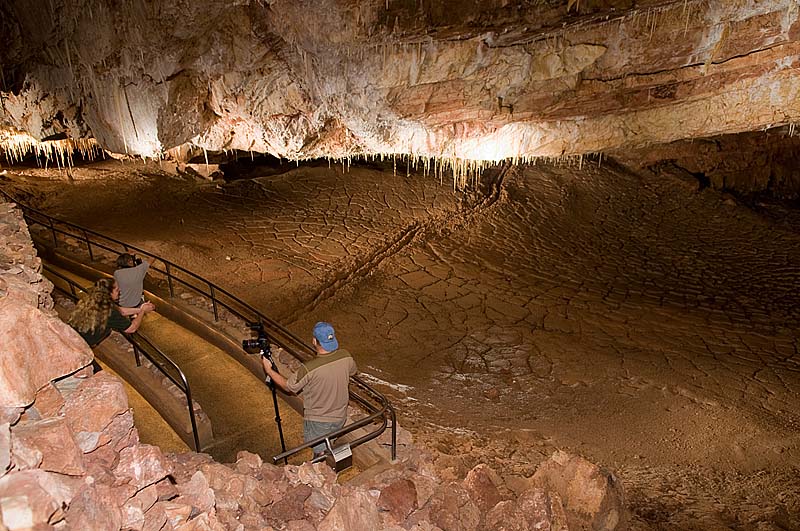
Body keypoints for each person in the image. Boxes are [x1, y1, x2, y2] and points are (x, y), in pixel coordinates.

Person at [262, 321, 357, 458]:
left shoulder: (308, 368)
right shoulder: (346, 356)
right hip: (340, 416)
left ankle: (322, 467)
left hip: (318, 422)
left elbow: (288, 387)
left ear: (314, 341)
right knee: (329, 443)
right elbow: (352, 371)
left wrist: (269, 370)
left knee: (320, 455)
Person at [68, 278, 155, 348]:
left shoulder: (94, 300)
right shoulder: (109, 311)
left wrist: (139, 309)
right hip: (79, 346)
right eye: (116, 290)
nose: (119, 291)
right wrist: (142, 311)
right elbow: (131, 328)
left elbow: (120, 311)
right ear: (109, 292)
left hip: (72, 337)